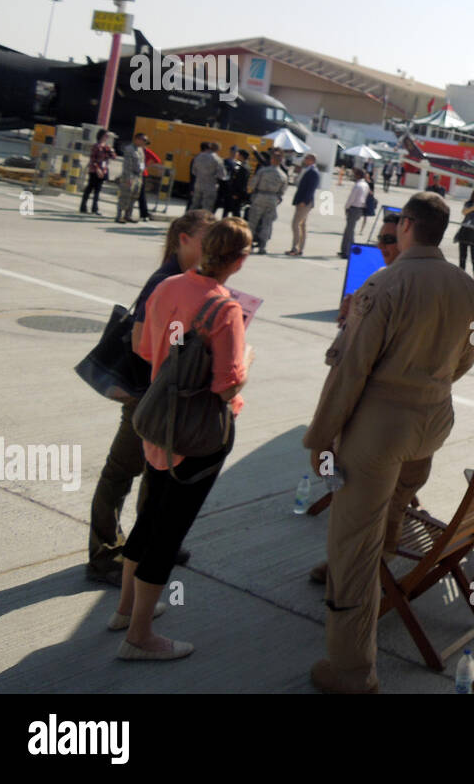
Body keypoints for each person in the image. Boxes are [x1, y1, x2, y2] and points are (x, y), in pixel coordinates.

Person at [302, 192, 474, 693]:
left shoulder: (384, 284)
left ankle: (351, 669)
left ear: (406, 225)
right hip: (432, 420)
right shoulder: (471, 289)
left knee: (351, 547)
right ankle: (382, 561)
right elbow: (468, 357)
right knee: (397, 501)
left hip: (380, 428)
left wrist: (320, 437)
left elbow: (350, 369)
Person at [115, 217, 253, 660]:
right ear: (239, 260)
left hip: (158, 421)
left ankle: (125, 609)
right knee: (168, 532)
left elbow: (144, 346)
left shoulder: (168, 286)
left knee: (149, 517)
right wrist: (247, 359)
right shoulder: (224, 309)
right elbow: (226, 387)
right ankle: (139, 637)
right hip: (195, 433)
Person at [86, 211, 215, 585]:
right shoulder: (165, 281)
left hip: (165, 393)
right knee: (120, 473)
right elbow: (143, 342)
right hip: (146, 395)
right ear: (184, 239)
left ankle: (147, 545)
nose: (211, 247)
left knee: (158, 473)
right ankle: (104, 555)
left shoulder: (189, 279)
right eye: (206, 239)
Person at [245, 148, 289, 253]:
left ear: (272, 160)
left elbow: (253, 184)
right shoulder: (283, 175)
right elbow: (283, 190)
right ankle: (262, 247)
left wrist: (252, 193)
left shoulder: (263, 171)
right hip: (273, 198)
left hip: (260, 196)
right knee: (267, 223)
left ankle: (249, 244)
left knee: (253, 221)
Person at [288, 153, 320, 256]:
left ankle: (295, 248)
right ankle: (299, 248)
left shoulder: (313, 172)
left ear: (312, 160)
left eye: (307, 158)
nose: (304, 160)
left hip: (305, 203)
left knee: (296, 224)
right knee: (301, 225)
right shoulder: (307, 170)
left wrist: (304, 201)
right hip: (302, 201)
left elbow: (311, 189)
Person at [453, 186, 474, 279]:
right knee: (462, 256)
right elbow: (463, 212)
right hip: (465, 231)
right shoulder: (468, 203)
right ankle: (461, 276)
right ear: (473, 195)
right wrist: (473, 208)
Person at [116, 133, 149, 223]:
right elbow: (127, 165)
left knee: (134, 197)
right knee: (125, 196)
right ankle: (119, 216)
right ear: (137, 139)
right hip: (130, 175)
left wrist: (141, 177)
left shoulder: (141, 150)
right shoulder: (129, 149)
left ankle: (128, 215)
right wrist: (128, 178)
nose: (145, 142)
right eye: (143, 140)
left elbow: (142, 163)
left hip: (138, 176)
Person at [80, 129, 114, 215]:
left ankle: (94, 208)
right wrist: (97, 169)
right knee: (90, 188)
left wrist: (111, 150)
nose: (107, 137)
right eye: (106, 135)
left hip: (103, 170)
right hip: (95, 170)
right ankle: (83, 206)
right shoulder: (96, 146)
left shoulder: (107, 147)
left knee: (98, 190)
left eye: (108, 136)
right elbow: (93, 159)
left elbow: (113, 157)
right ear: (101, 136)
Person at [339, 168, 370, 258]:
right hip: (359, 209)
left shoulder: (358, 185)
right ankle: (347, 250)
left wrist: (346, 207)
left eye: (355, 174)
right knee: (350, 230)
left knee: (349, 231)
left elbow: (351, 199)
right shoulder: (365, 185)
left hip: (353, 208)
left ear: (358, 175)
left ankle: (347, 251)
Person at [189, 141, 225, 213]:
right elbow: (222, 175)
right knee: (207, 208)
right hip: (210, 186)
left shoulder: (199, 156)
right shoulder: (217, 159)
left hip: (198, 184)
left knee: (195, 205)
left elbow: (193, 171)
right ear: (218, 149)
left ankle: (191, 218)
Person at [138, 141, 162, 222]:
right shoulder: (137, 150)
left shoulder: (146, 152)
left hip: (142, 174)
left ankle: (144, 214)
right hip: (136, 173)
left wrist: (147, 165)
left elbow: (157, 160)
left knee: (141, 195)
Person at [224, 148, 251, 217]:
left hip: (237, 193)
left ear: (241, 156)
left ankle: (238, 223)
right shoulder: (244, 165)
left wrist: (236, 194)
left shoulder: (243, 167)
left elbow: (241, 182)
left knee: (235, 211)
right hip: (236, 192)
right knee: (230, 209)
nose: (237, 156)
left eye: (238, 154)